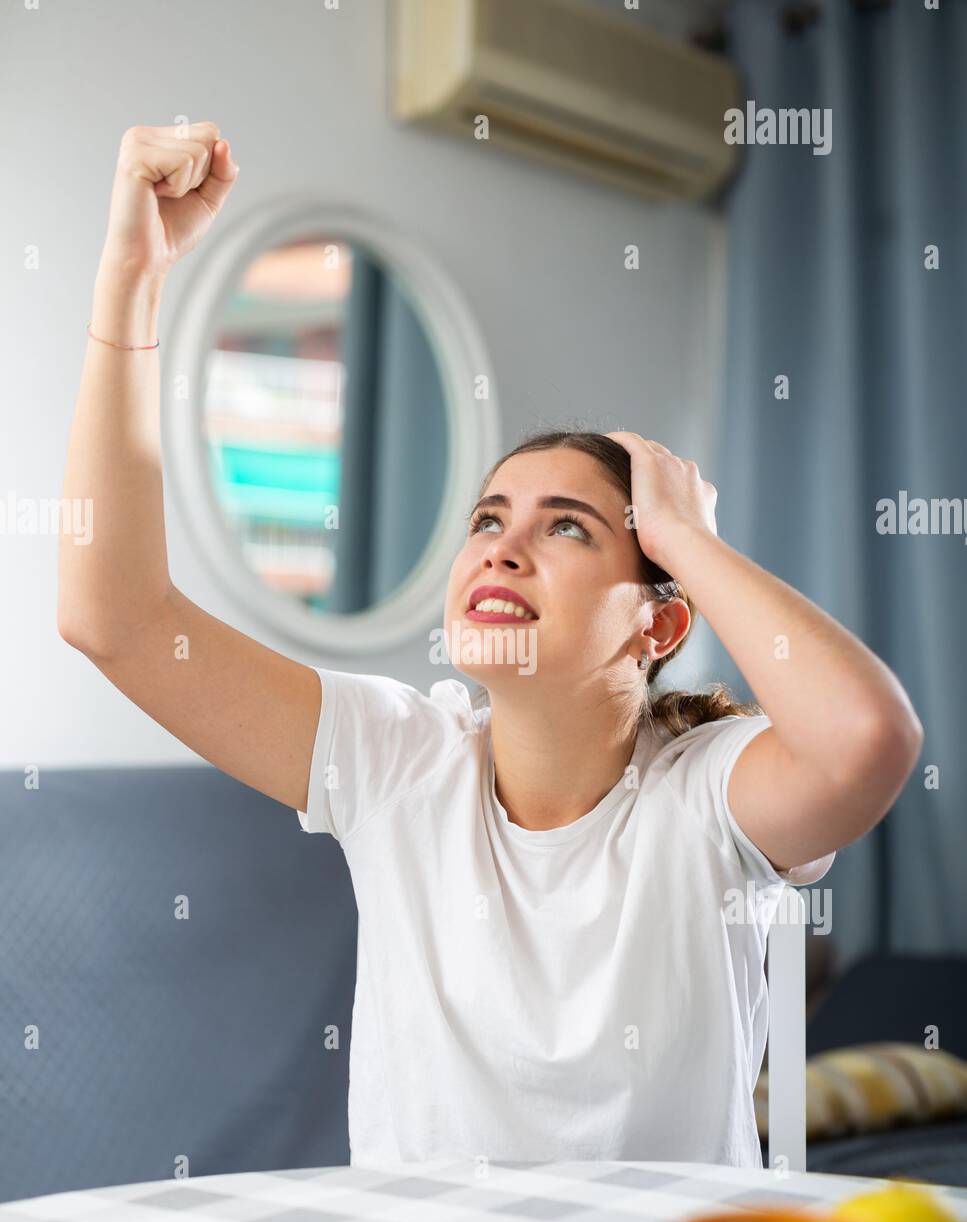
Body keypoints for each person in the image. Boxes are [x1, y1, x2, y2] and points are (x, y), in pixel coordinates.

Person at [59, 123, 924, 1168]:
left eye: (568, 526)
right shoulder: (397, 760)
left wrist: (687, 538)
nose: (502, 548)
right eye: (486, 518)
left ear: (658, 619)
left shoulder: (708, 795)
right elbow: (116, 619)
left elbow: (867, 737)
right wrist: (128, 286)